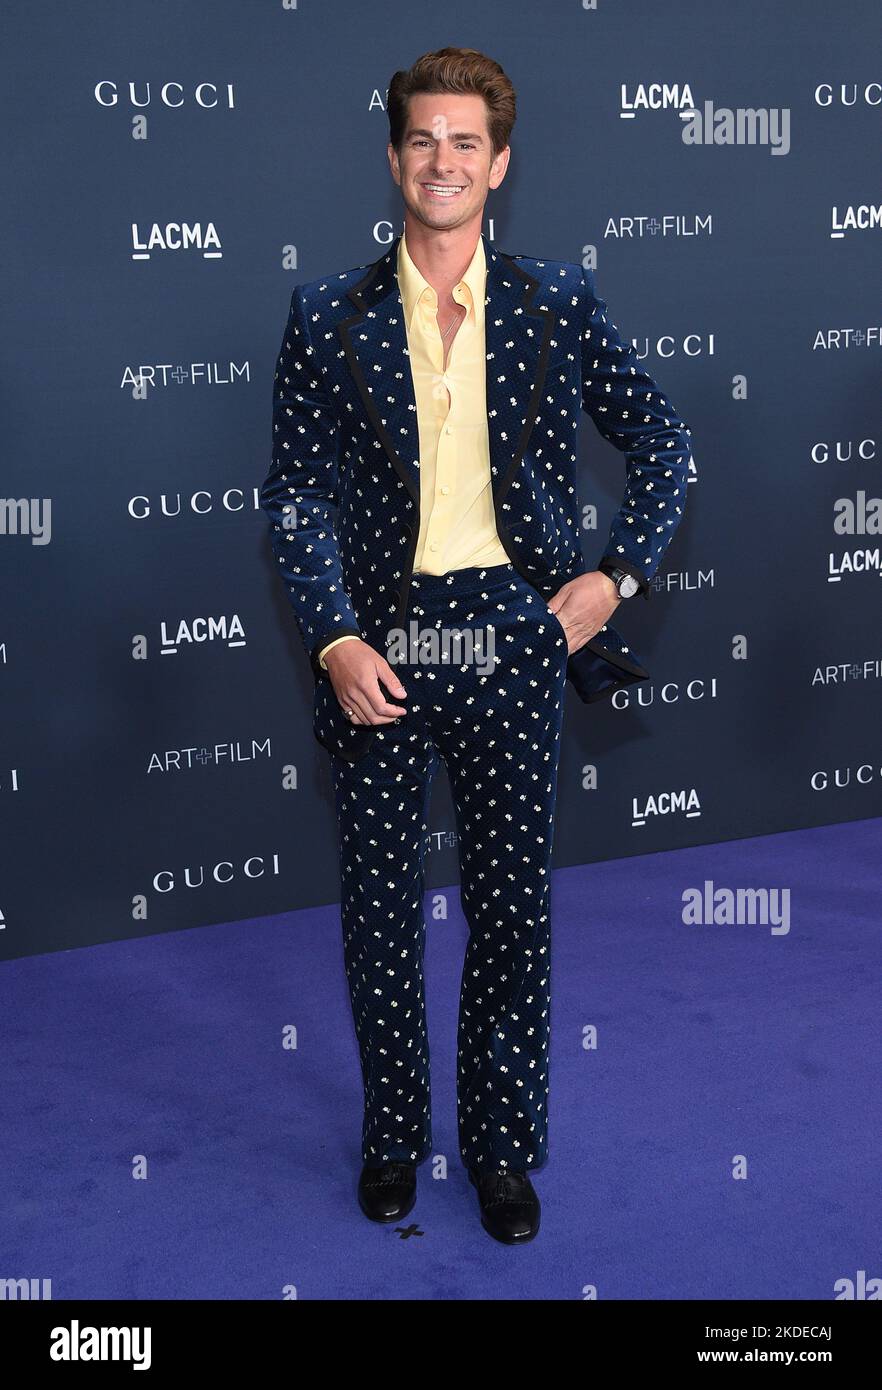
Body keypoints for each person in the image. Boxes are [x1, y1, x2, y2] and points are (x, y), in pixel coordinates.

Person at [259, 46, 691, 1245]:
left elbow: (662, 432)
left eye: (465, 143)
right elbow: (296, 497)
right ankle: (395, 1136)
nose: (440, 161)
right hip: (383, 648)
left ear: (498, 165)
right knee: (379, 913)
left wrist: (616, 574)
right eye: (420, 139)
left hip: (514, 637)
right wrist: (335, 638)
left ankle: (501, 1150)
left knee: (510, 915)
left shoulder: (557, 302)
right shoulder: (326, 316)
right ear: (393, 157)